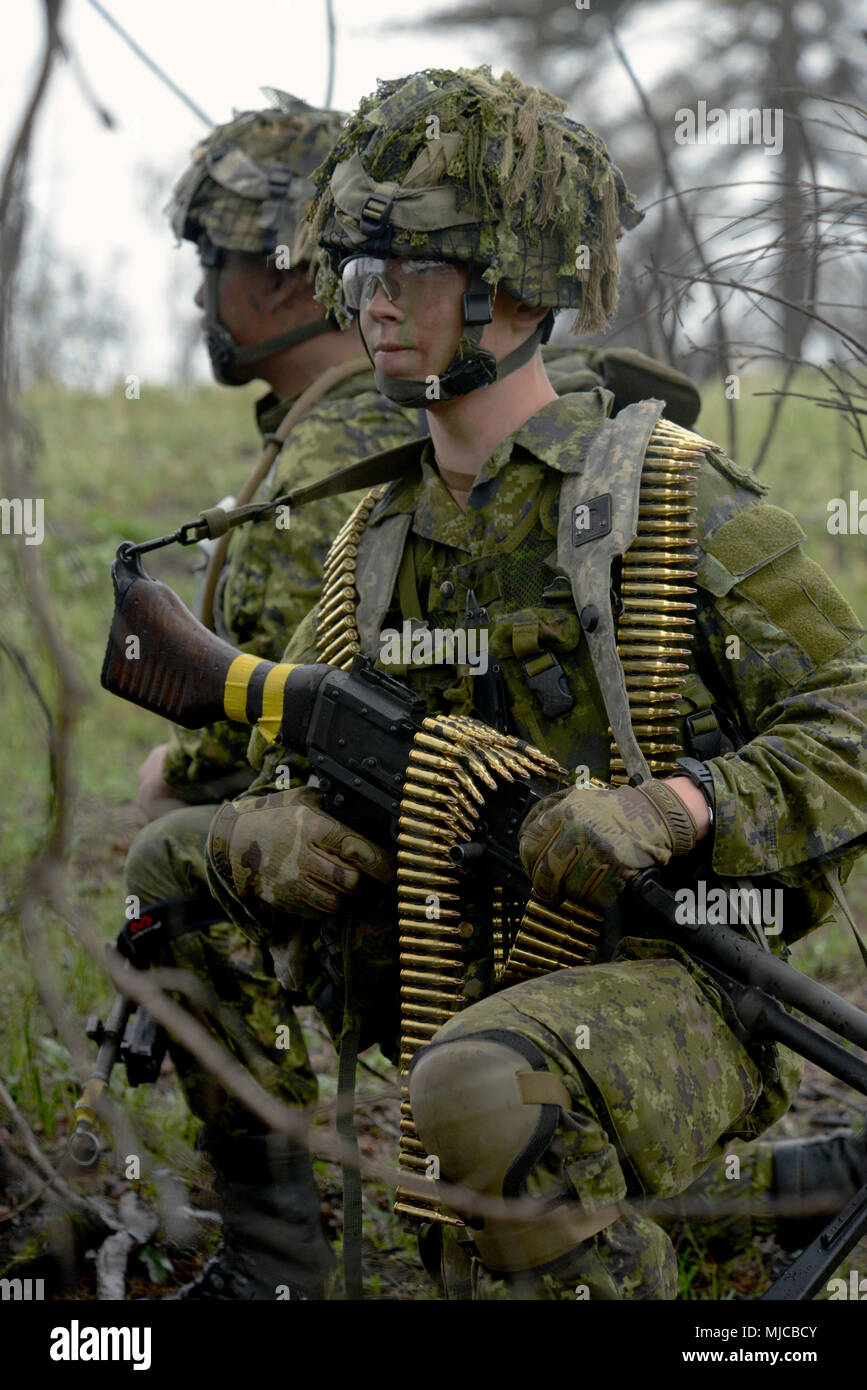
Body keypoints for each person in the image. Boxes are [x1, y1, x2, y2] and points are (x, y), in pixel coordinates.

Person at [203, 67, 867, 1299]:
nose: (373, 307)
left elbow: (852, 716)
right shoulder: (378, 536)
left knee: (476, 1084)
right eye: (360, 275)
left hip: (686, 976)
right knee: (176, 873)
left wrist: (677, 805)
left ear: (513, 289)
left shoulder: (666, 496)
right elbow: (281, 747)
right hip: (464, 954)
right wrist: (274, 819)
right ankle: (273, 1261)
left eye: (409, 273)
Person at [123, 93, 420, 1300]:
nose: (204, 294)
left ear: (295, 278)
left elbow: (295, 723)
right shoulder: (354, 424)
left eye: (218, 258)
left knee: (173, 866)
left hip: (438, 893)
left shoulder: (337, 454)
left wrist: (175, 782)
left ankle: (278, 1266)